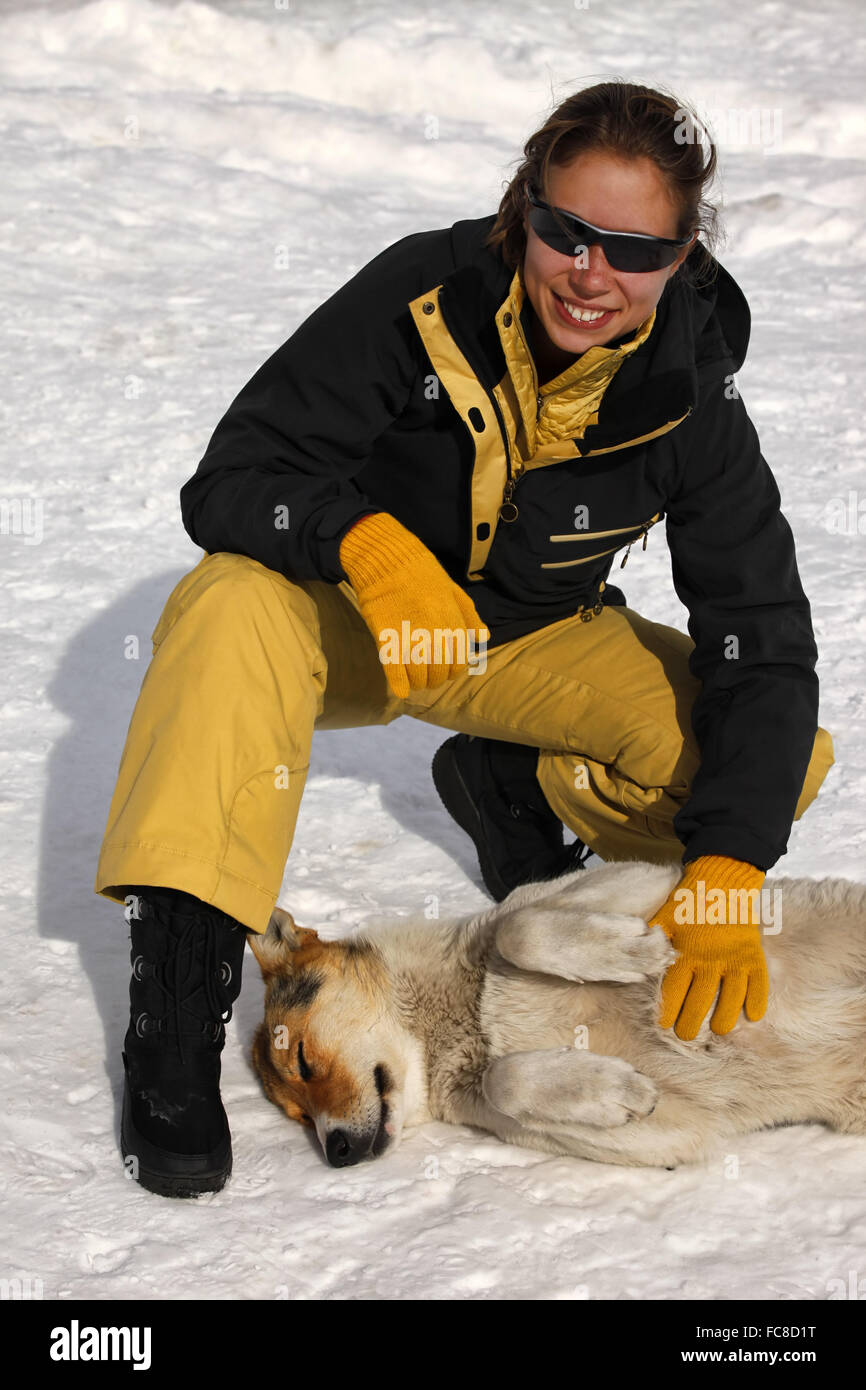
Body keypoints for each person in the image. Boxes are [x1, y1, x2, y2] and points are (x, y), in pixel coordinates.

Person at [95, 81, 834, 1197]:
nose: (592, 273)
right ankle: (180, 981)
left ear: (682, 257)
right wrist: (360, 540)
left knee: (775, 762)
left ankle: (514, 781)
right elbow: (233, 479)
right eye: (564, 231)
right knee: (225, 603)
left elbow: (760, 638)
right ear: (519, 210)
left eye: (633, 248)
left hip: (529, 644)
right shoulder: (419, 295)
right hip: (354, 623)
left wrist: (729, 870)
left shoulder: (689, 390)